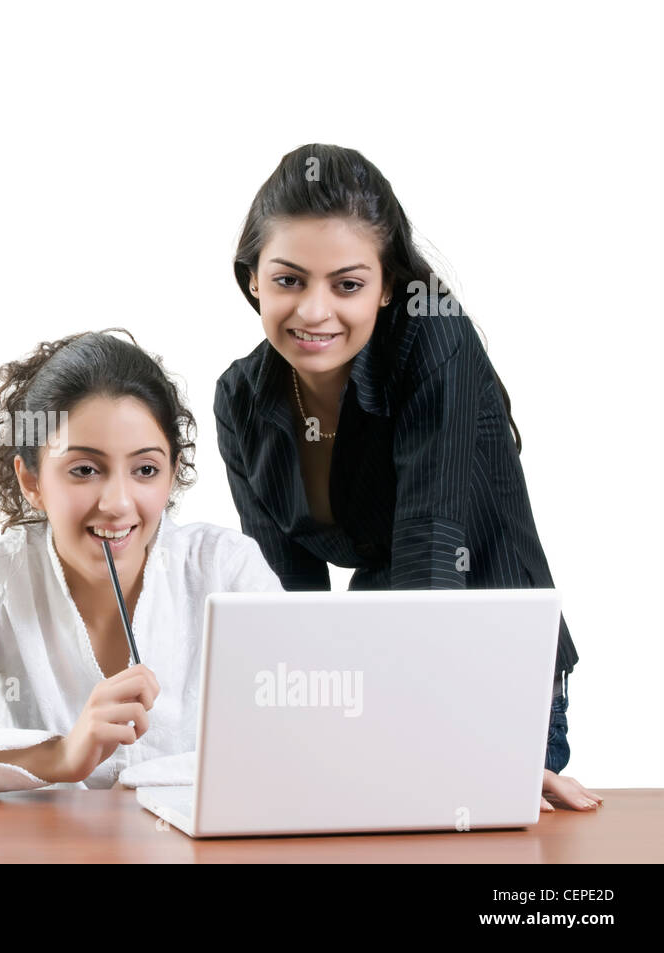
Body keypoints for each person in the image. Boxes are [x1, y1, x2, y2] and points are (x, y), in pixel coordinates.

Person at [214, 143, 602, 812]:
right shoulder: (242, 400)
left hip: (493, 669)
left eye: (347, 283)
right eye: (288, 280)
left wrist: (460, 749)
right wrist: (289, 745)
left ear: (388, 285)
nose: (313, 311)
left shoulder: (433, 340)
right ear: (253, 278)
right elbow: (283, 602)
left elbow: (431, 551)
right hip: (383, 669)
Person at [0, 329, 282, 792]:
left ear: (172, 473)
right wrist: (58, 755)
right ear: (31, 481)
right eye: (84, 470)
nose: (118, 503)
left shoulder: (226, 567)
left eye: (145, 470)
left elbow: (306, 730)